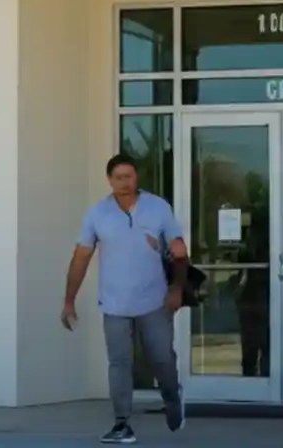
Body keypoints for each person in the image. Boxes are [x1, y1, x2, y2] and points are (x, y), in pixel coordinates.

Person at [61, 154, 189, 444]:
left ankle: (172, 397)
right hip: (114, 304)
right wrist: (69, 300)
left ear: (137, 178)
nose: (124, 183)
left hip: (154, 301)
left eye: (129, 176)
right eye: (118, 178)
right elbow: (81, 256)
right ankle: (122, 422)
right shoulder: (97, 213)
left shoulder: (158, 208)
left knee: (162, 358)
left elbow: (179, 252)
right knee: (119, 363)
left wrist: (176, 289)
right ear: (109, 180)